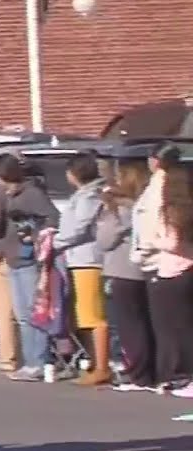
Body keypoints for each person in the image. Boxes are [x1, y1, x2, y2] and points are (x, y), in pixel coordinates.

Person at [0, 155, 62, 383]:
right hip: (12, 258)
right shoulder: (6, 194)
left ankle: (37, 361)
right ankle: (30, 361)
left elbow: (52, 218)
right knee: (21, 314)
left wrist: (35, 234)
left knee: (31, 312)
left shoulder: (31, 194)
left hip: (29, 257)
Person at [96, 159, 156, 391]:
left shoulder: (123, 209)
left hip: (122, 271)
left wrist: (108, 212)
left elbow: (104, 240)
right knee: (143, 322)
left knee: (129, 325)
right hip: (143, 271)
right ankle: (147, 370)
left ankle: (137, 374)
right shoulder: (146, 205)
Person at [54, 153, 109, 386]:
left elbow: (78, 227)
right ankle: (95, 363)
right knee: (85, 316)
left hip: (88, 260)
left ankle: (103, 366)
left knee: (93, 316)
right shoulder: (84, 195)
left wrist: (55, 241)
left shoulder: (90, 197)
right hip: (78, 259)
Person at [152, 158, 193, 397]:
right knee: (186, 326)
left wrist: (153, 241)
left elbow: (172, 243)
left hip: (173, 271)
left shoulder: (173, 210)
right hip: (187, 270)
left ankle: (185, 376)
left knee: (178, 328)